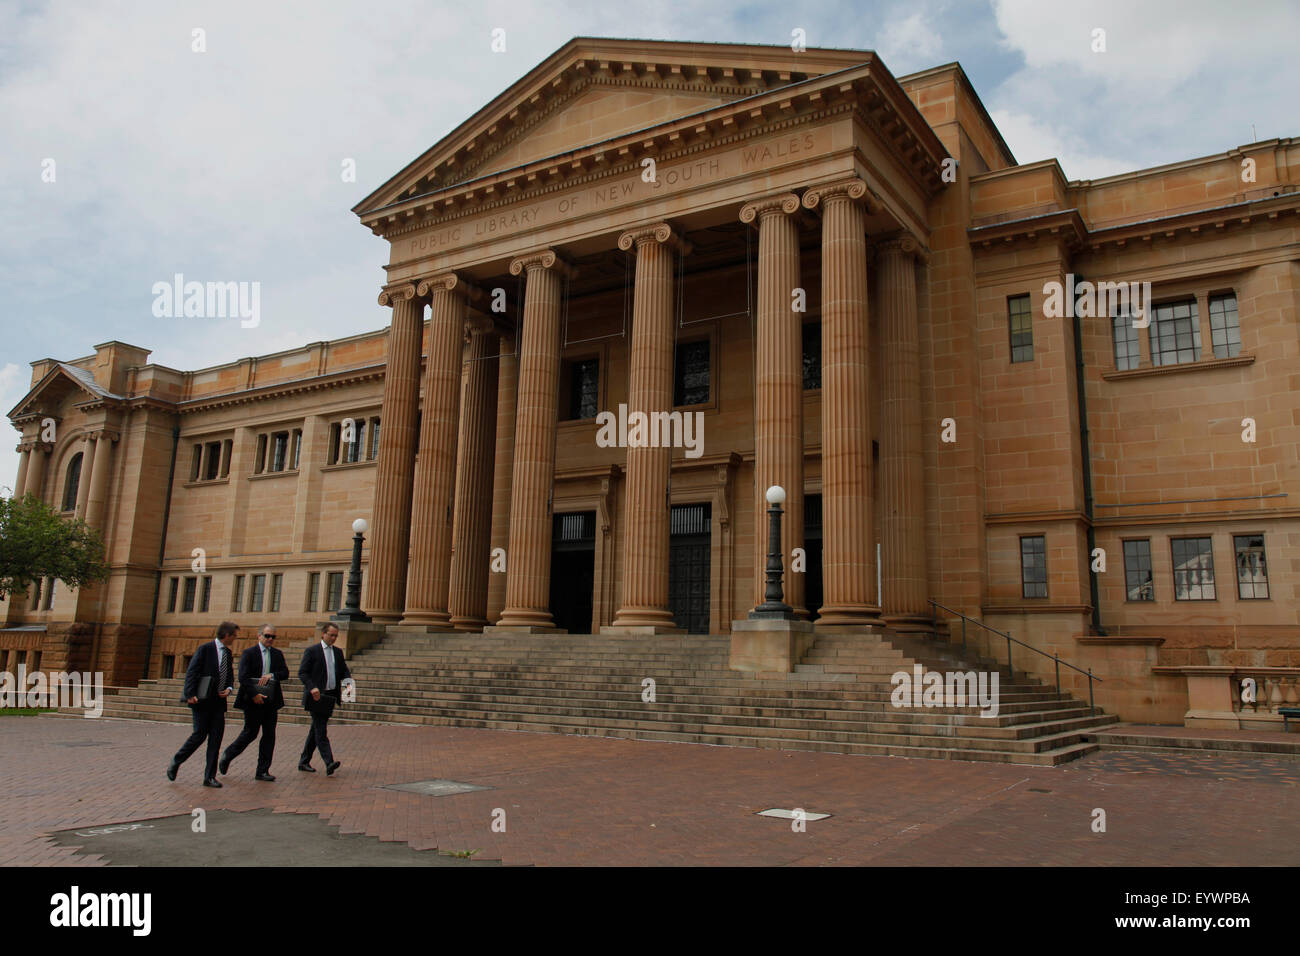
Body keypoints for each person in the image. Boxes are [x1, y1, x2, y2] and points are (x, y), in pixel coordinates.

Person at [167, 621, 237, 788]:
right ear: (226, 635)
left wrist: (229, 688)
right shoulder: (205, 649)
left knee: (216, 740)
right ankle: (177, 761)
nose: (235, 638)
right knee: (199, 736)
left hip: (219, 703)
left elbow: (230, 676)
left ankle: (209, 777)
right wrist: (190, 694)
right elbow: (192, 671)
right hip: (202, 701)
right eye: (234, 635)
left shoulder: (228, 653)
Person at [218, 623, 289, 781]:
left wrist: (273, 675)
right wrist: (254, 695)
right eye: (267, 636)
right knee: (250, 733)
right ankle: (228, 755)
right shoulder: (249, 653)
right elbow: (243, 677)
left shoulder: (277, 654)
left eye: (273, 637)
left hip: (271, 701)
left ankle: (263, 770)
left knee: (269, 735)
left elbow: (285, 673)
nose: (270, 639)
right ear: (259, 636)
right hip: (252, 701)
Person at [298, 621, 350, 775]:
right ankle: (329, 761)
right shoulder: (312, 651)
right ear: (323, 634)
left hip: (330, 696)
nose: (333, 638)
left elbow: (344, 671)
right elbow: (303, 672)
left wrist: (348, 683)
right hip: (316, 696)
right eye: (331, 635)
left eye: (335, 636)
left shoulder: (338, 652)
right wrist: (312, 686)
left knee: (315, 729)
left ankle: (304, 760)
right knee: (320, 729)